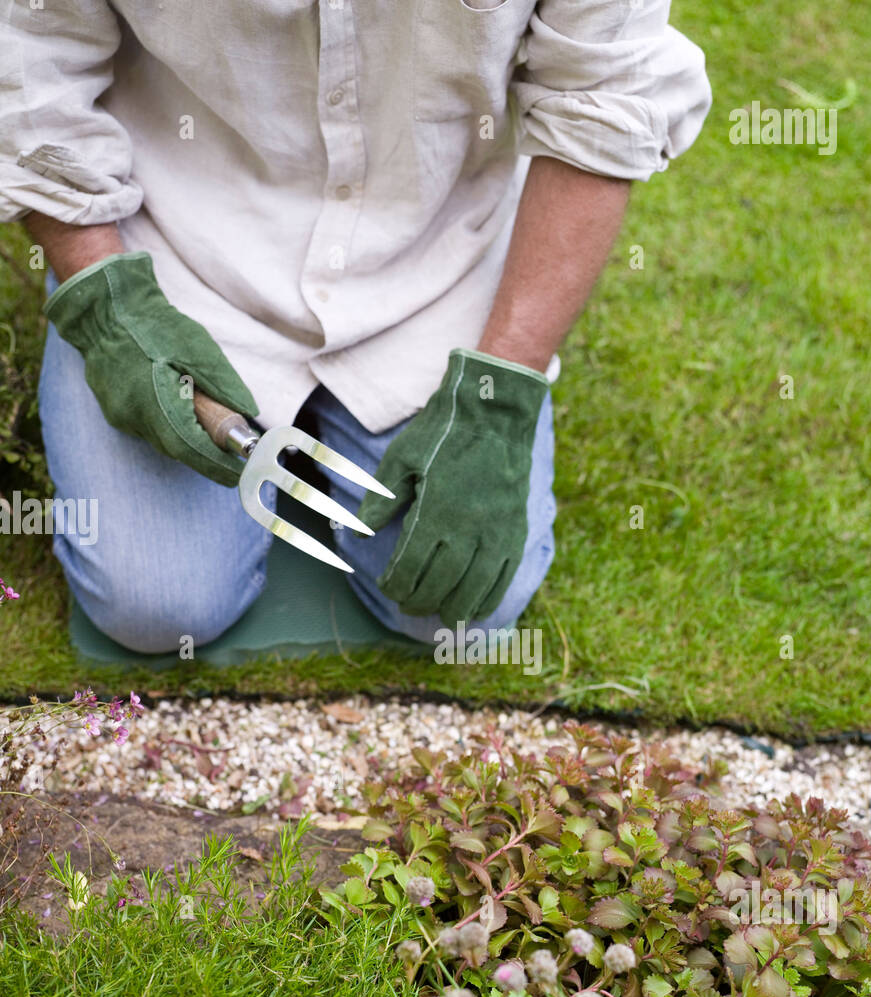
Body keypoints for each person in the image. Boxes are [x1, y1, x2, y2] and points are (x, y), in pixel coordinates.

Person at [0, 1, 710, 653]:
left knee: (456, 612)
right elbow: (30, 58)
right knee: (157, 609)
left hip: (432, 253)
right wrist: (109, 307)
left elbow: (603, 100)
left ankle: (324, 431)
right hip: (180, 244)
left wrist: (500, 392)